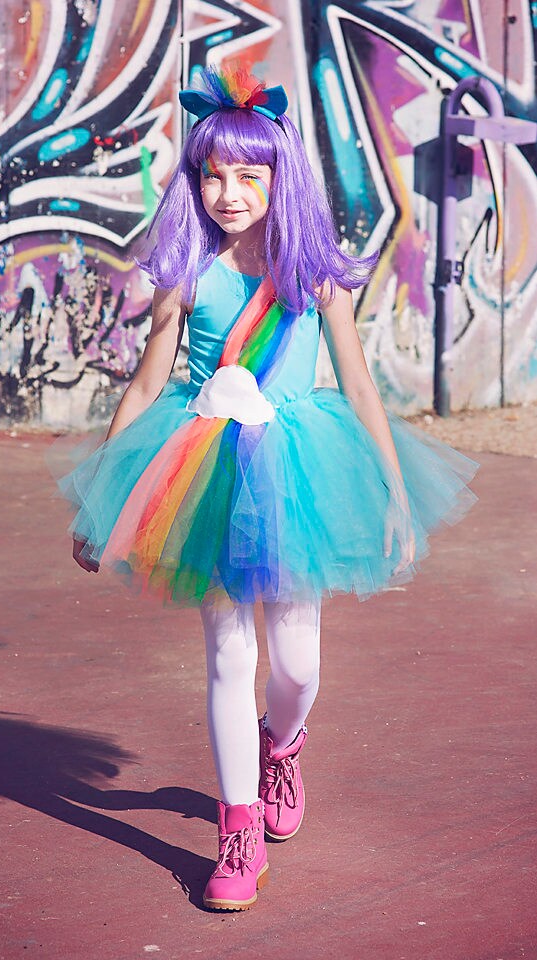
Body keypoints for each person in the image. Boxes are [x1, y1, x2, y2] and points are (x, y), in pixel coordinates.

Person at [57, 66, 478, 911]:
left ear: (280, 179)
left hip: (294, 470)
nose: (227, 192)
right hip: (202, 469)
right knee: (226, 655)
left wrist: (393, 493)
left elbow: (361, 389)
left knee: (295, 663)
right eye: (213, 174)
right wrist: (100, 497)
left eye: (248, 175)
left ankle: (281, 746)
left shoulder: (309, 273)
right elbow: (142, 388)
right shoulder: (185, 271)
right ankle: (237, 830)